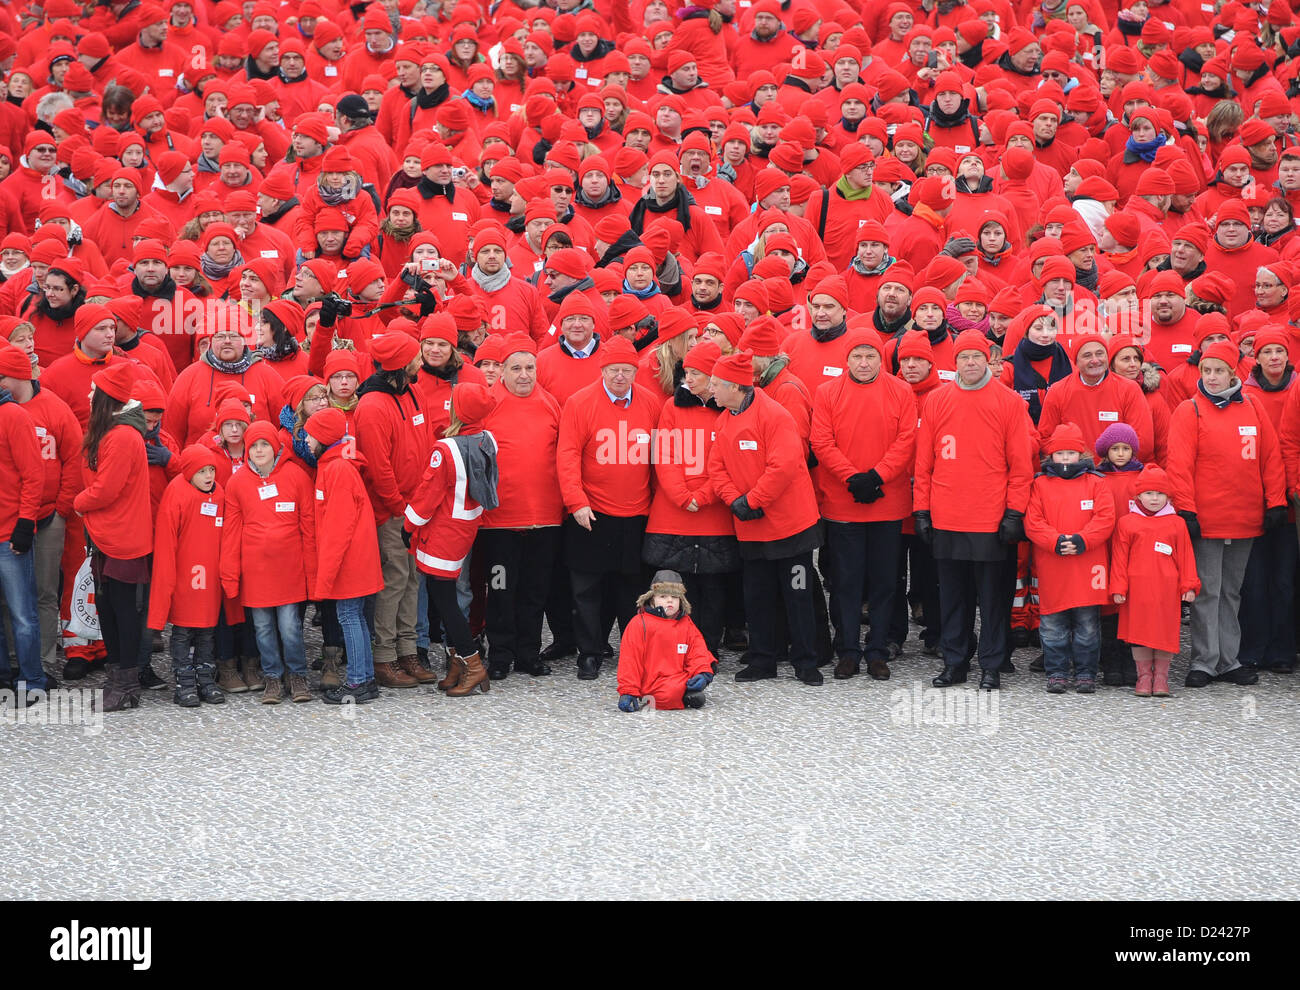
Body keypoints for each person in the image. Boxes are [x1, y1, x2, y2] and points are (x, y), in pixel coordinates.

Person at [913, 330, 1035, 691]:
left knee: (992, 599)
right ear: (955, 362)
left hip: (991, 518)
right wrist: (922, 509)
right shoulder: (936, 401)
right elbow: (925, 463)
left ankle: (992, 664)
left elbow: (1021, 465)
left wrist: (1015, 512)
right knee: (953, 596)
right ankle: (955, 661)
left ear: (989, 360)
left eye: (976, 357)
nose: (970, 363)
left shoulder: (1009, 402)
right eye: (963, 357)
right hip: (948, 514)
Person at [1166, 341, 1288, 689]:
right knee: (1207, 591)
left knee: (1232, 592)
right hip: (1207, 517)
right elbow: (1179, 465)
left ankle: (1228, 659)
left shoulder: (1252, 406)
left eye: (1219, 371)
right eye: (1207, 371)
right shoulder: (1190, 410)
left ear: (1234, 372)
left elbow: (1270, 457)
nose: (1213, 377)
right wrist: (1186, 509)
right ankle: (1205, 661)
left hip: (1245, 515)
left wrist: (1275, 501)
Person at [708, 349, 824, 686]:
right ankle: (763, 659)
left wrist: (753, 500)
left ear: (736, 387)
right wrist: (736, 501)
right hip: (752, 527)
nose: (711, 390)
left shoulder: (774, 415)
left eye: (716, 384)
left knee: (797, 593)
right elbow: (716, 468)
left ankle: (806, 660)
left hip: (791, 528)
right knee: (757, 596)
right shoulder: (724, 419)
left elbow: (785, 465)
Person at [809, 325, 916, 681]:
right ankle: (848, 649)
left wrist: (878, 476)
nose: (864, 362)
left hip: (887, 500)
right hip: (843, 501)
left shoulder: (901, 391)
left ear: (881, 359)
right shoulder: (827, 392)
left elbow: (906, 440)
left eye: (871, 355)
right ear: (847, 359)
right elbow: (821, 441)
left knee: (886, 581)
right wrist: (852, 478)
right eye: (857, 356)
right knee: (845, 581)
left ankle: (878, 649)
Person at [556, 335, 662, 680]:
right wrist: (576, 502)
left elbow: (660, 459)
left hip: (636, 514)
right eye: (614, 370)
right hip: (593, 513)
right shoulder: (580, 403)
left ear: (635, 372)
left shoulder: (650, 403)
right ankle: (590, 651)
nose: (620, 376)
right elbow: (568, 455)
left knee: (630, 591)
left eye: (627, 370)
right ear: (602, 370)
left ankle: (633, 651)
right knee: (587, 590)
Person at [478, 336, 565, 681]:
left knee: (534, 591)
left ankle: (528, 652)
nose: (525, 375)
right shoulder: (488, 404)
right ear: (501, 370)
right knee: (500, 590)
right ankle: (501, 654)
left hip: (545, 520)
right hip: (499, 522)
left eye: (530, 367)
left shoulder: (550, 404)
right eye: (516, 368)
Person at [404, 383, 499, 698]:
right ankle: (458, 662)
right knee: (443, 594)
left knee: (444, 598)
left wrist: (409, 524)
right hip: (467, 525)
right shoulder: (487, 439)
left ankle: (472, 664)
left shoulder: (445, 448)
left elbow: (428, 495)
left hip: (444, 530)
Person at [354, 331, 435, 688]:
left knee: (413, 578)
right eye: (416, 356)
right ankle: (385, 657)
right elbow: (379, 467)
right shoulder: (373, 405)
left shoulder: (413, 391)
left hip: (417, 505)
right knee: (394, 581)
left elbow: (427, 440)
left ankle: (407, 652)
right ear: (401, 365)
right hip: (393, 511)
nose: (422, 360)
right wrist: (400, 508)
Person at [73, 363, 153, 712]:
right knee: (108, 608)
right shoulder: (112, 431)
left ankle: (126, 683)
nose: (89, 395)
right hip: (107, 533)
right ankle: (119, 677)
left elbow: (107, 489)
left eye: (94, 390)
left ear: (107, 398)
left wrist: (79, 503)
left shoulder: (121, 436)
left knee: (122, 610)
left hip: (121, 535)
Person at [221, 420, 317, 705]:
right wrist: (230, 574)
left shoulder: (296, 476)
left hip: (289, 569)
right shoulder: (237, 483)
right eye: (254, 446)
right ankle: (273, 677)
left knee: (290, 626)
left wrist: (312, 571)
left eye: (265, 444)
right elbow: (231, 532)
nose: (259, 450)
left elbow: (308, 526)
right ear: (247, 450)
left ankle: (297, 675)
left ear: (275, 447)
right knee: (262, 628)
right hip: (256, 571)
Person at [1024, 424, 1116, 695]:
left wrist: (1081, 540)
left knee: (1088, 624)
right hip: (1053, 562)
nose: (1065, 459)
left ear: (1081, 454)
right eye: (1060, 453)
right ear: (1051, 456)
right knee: (1053, 625)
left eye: (1071, 453)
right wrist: (1055, 541)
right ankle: (1057, 672)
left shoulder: (1097, 483)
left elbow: (1105, 518)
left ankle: (1086, 672)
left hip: (1087, 564)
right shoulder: (1039, 484)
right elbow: (1034, 521)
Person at [306, 407, 384, 705]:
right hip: (357, 558)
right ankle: (364, 679)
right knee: (357, 619)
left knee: (348, 617)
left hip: (349, 561)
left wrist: (325, 576)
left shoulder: (335, 470)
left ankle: (356, 682)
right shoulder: (338, 465)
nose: (307, 440)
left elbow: (337, 529)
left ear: (324, 438)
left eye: (310, 434)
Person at [148, 445, 230, 708]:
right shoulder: (177, 493)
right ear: (188, 473)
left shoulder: (219, 495)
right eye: (202, 471)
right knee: (183, 632)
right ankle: (184, 680)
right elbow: (166, 542)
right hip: (185, 577)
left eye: (211, 470)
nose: (208, 476)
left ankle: (205, 679)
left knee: (207, 632)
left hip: (210, 580)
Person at [1110, 466, 1201, 698]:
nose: (1154, 498)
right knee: (1139, 633)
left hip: (1167, 589)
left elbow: (1186, 556)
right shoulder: (1127, 522)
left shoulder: (1177, 523)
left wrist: (1189, 584)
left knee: (1164, 633)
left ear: (1168, 497)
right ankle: (1144, 676)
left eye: (1160, 494)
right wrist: (1118, 587)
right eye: (1149, 493)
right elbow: (1119, 558)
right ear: (1137, 496)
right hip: (1136, 589)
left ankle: (1161, 677)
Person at [0, 345, 47, 695]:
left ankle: (32, 680)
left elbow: (33, 475)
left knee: (22, 615)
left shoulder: (14, 416)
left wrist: (25, 523)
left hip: (8, 534)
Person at [615, 570, 716, 711]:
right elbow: (630, 660)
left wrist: (702, 673)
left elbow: (697, 650)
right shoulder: (639, 624)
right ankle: (685, 694)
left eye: (675, 597)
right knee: (666, 695)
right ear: (652, 600)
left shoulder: (686, 623)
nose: (670, 600)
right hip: (651, 681)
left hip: (679, 677)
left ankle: (687, 691)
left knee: (705, 666)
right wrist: (628, 690)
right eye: (663, 596)